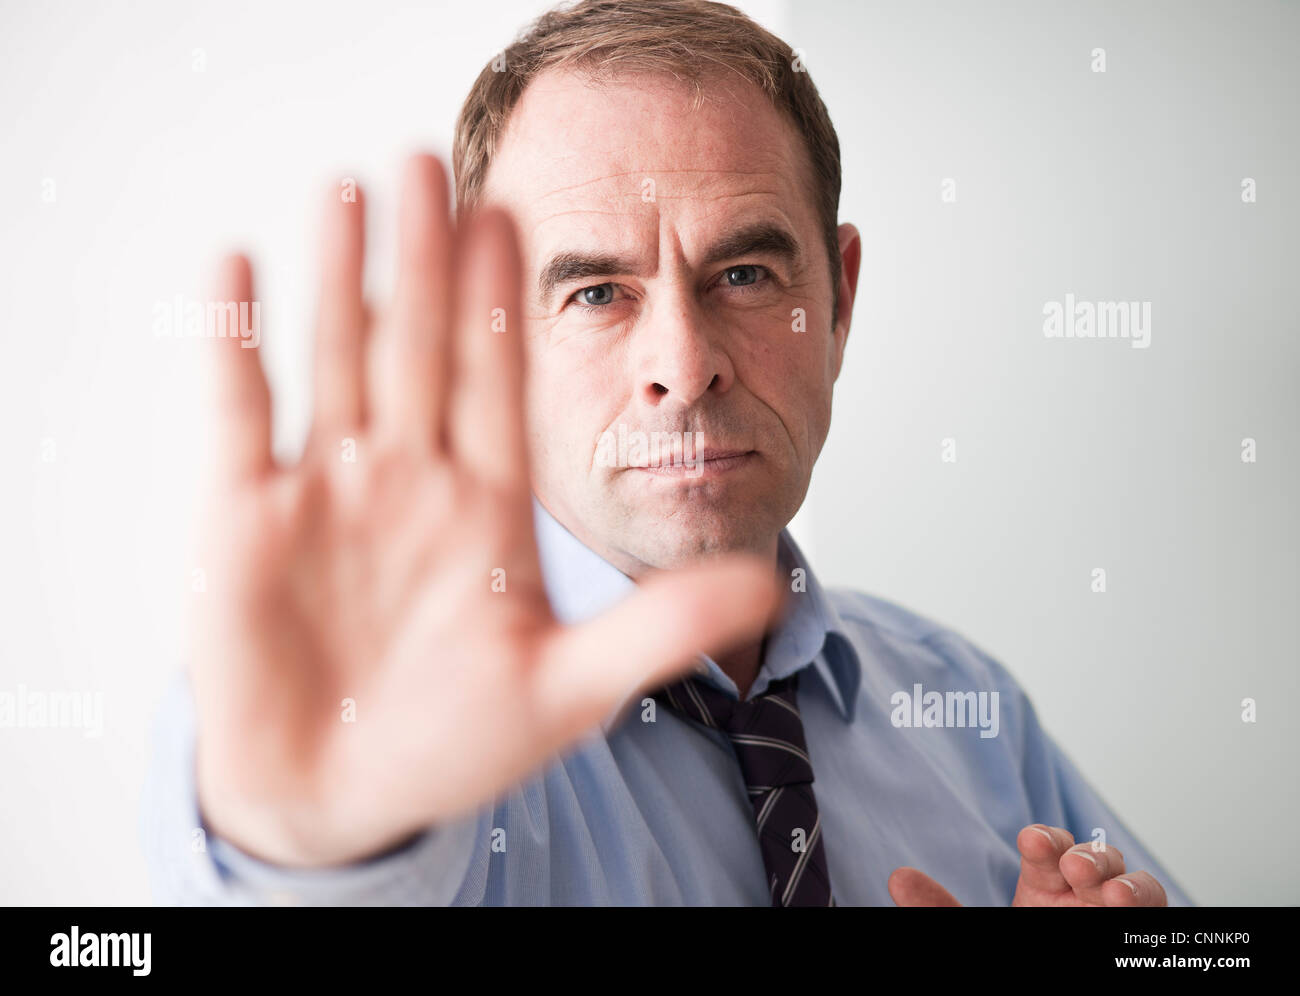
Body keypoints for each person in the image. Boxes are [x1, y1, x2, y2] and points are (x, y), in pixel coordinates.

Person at [143, 0, 1192, 906]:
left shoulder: (968, 706)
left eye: (742, 274)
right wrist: (308, 848)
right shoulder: (412, 718)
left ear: (838, 301)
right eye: (596, 292)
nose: (683, 367)